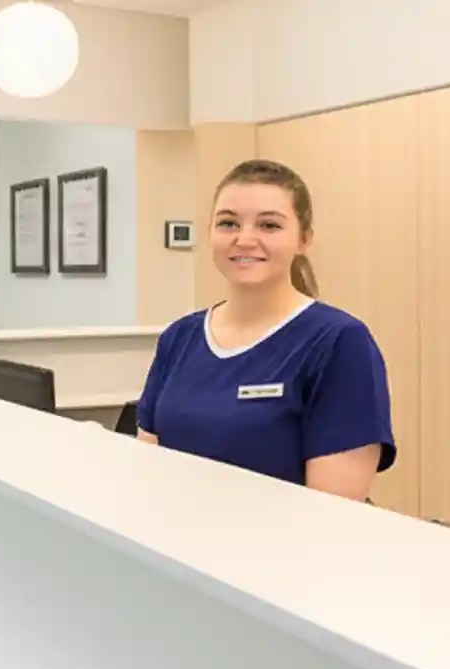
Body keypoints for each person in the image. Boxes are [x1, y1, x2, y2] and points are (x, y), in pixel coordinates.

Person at [136, 159, 395, 501]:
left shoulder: (338, 342)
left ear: (304, 239)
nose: (245, 239)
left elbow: (333, 511)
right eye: (228, 223)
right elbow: (148, 470)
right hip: (172, 531)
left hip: (283, 537)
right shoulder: (179, 337)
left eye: (269, 225)